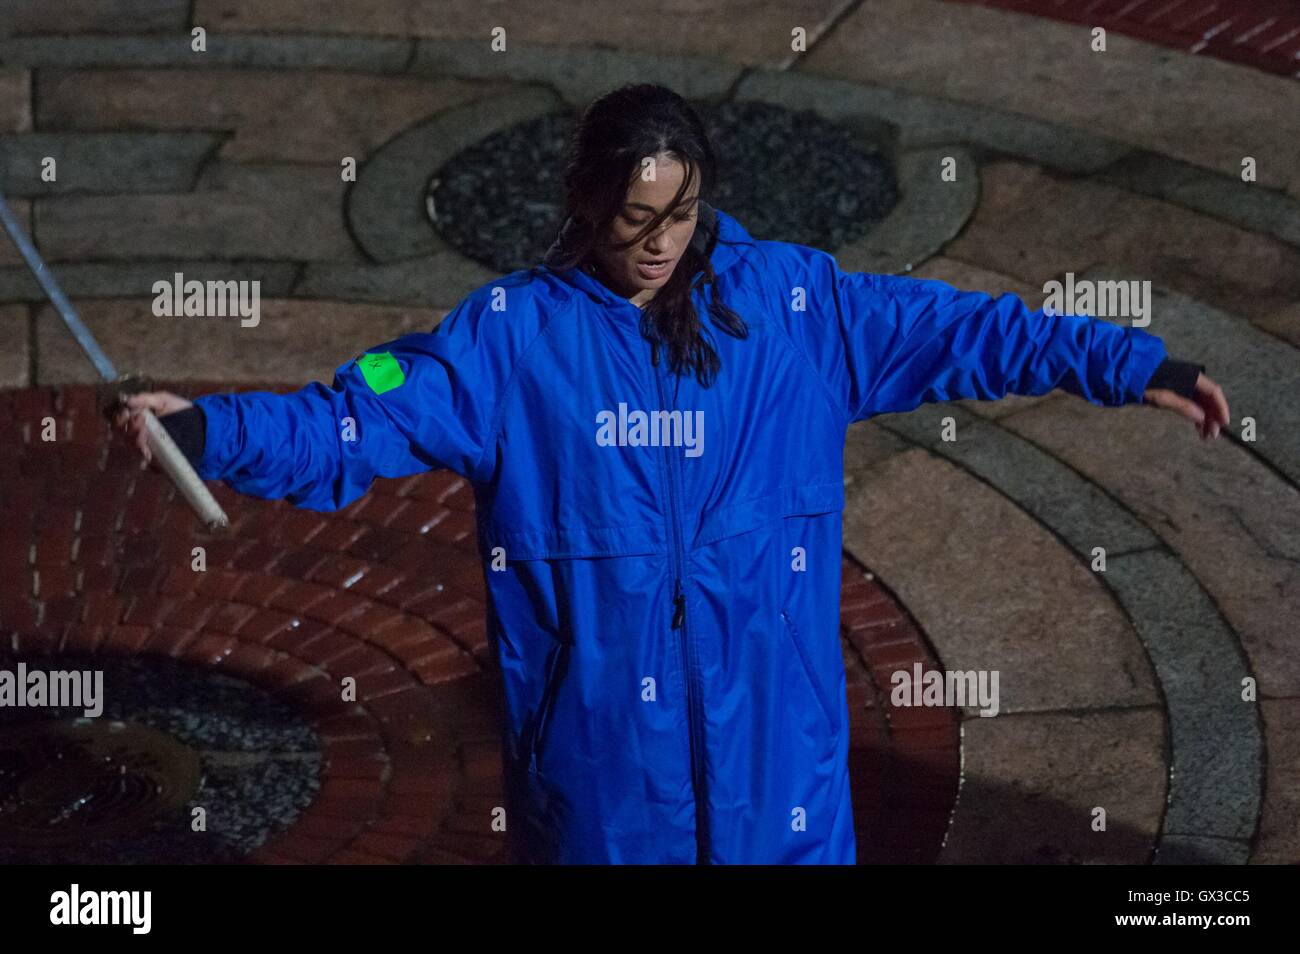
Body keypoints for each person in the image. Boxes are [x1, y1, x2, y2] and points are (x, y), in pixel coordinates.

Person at [114, 83, 1230, 865]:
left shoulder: (797, 306)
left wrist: (1132, 363)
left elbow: (973, 334)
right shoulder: (508, 338)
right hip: (602, 797)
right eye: (634, 219)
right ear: (588, 202)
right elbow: (356, 415)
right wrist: (213, 429)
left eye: (682, 215)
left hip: (780, 781)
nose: (658, 243)